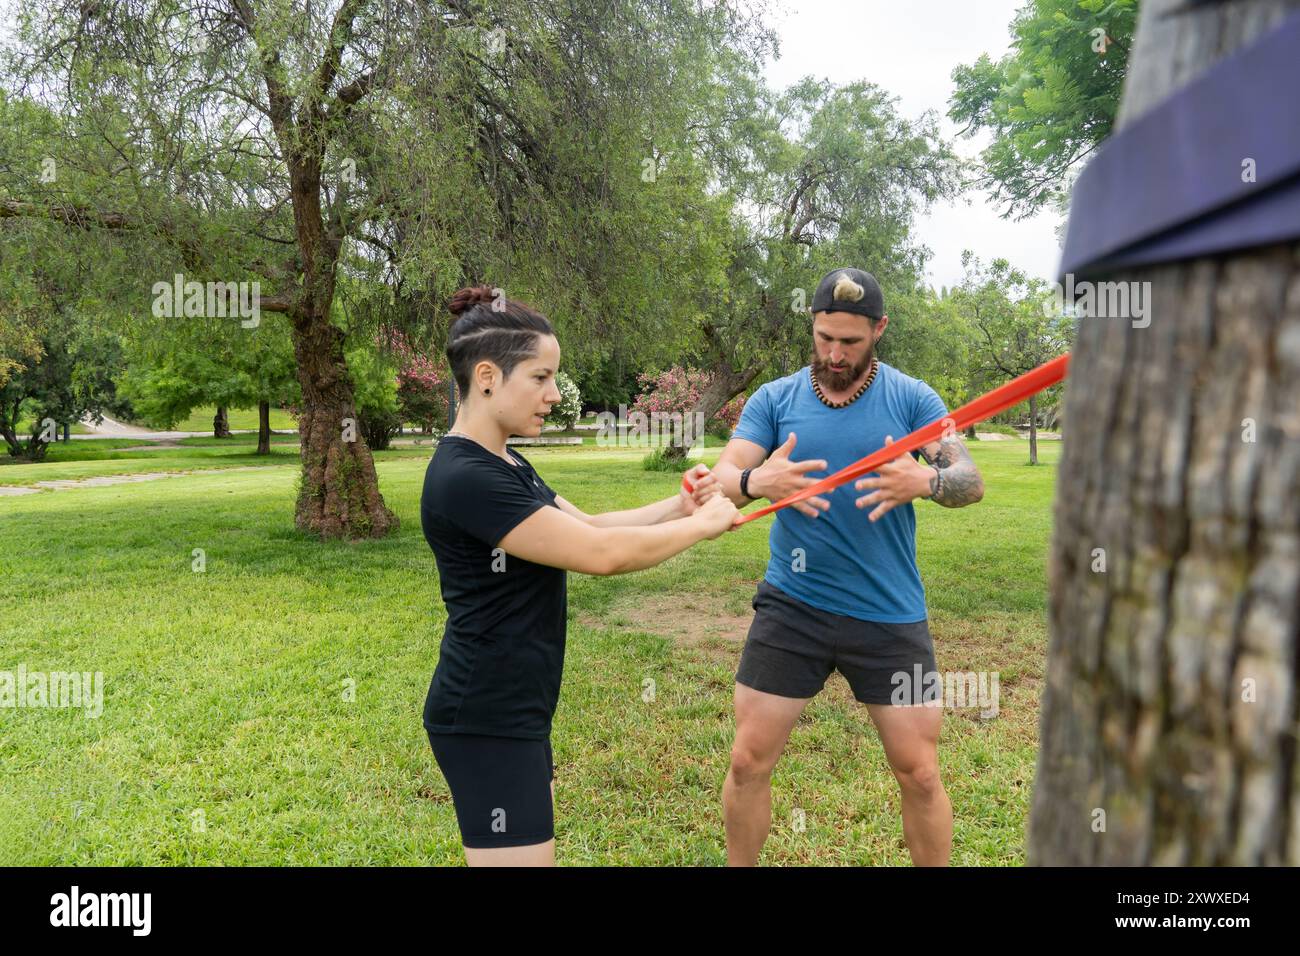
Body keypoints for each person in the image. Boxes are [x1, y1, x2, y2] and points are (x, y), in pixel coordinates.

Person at [420, 285, 737, 866]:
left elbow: (590, 524)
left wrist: (680, 507)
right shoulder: (465, 476)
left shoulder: (505, 461)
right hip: (486, 715)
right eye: (541, 378)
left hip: (515, 709)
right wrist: (706, 526)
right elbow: (600, 555)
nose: (555, 394)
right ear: (487, 377)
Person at [711, 267, 985, 866]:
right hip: (792, 606)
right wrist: (760, 480)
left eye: (851, 341)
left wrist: (927, 478)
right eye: (824, 337)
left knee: (918, 772)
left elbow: (970, 481)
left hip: (887, 611)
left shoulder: (914, 399)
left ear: (879, 330)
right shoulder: (775, 399)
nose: (835, 354)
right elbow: (721, 483)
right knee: (747, 760)